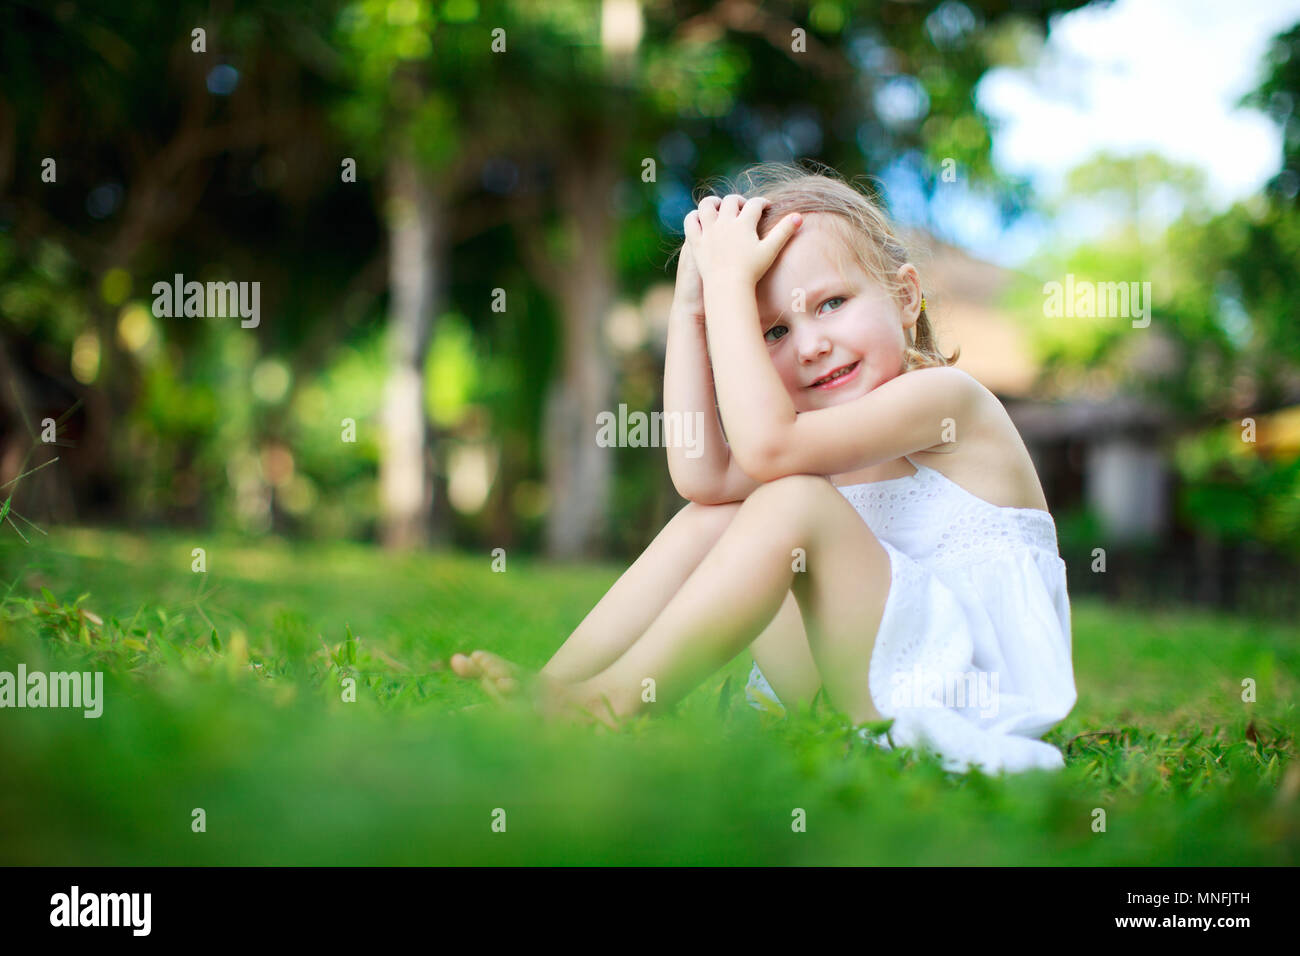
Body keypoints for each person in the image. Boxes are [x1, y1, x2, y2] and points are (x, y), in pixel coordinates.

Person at [452, 161, 1077, 774]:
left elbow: (768, 450)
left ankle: (616, 701)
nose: (810, 345)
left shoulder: (947, 400)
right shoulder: (818, 442)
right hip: (853, 686)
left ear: (906, 297)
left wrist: (731, 289)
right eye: (773, 332)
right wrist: (691, 308)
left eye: (832, 303)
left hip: (966, 693)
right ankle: (554, 688)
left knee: (789, 497)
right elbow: (704, 479)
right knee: (713, 517)